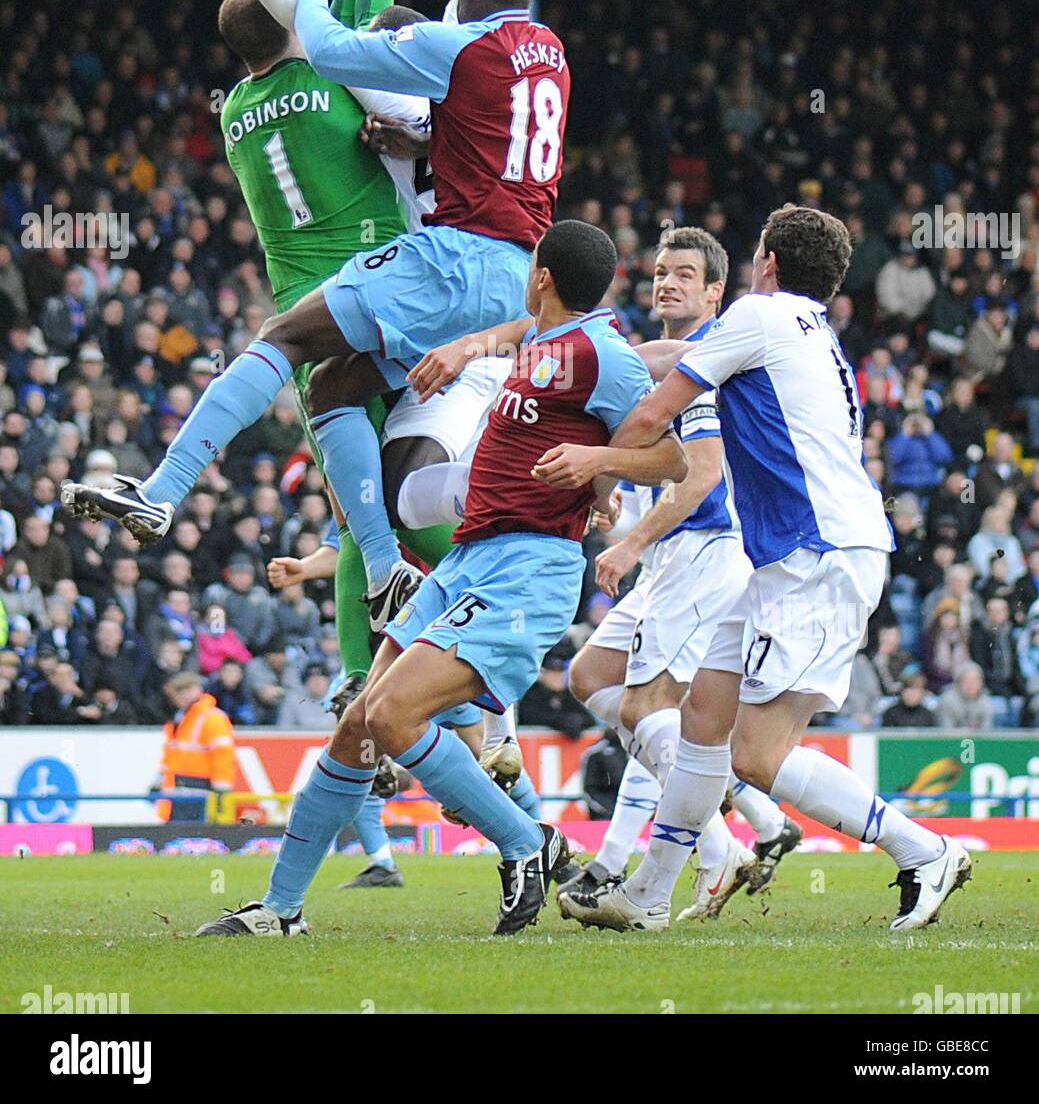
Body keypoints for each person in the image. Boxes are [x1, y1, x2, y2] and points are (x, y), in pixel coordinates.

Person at [62, 0, 559, 645]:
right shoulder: (543, 48)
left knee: (288, 341)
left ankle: (165, 491)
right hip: (510, 284)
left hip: (445, 269)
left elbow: (324, 44)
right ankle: (421, 584)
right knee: (346, 401)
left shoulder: (403, 80)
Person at [195, 221, 686, 940]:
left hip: (526, 570)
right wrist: (473, 349)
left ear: (540, 275)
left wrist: (593, 467)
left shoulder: (602, 355)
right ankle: (281, 909)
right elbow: (528, 354)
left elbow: (672, 459)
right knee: (360, 723)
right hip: (465, 559)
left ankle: (526, 841)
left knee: (393, 717)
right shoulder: (539, 337)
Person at [556, 206, 970, 935]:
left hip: (818, 557)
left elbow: (657, 406)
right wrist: (573, 353)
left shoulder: (762, 315)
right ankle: (650, 893)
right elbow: (660, 362)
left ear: (767, 263)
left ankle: (924, 849)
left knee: (757, 756)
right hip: (789, 559)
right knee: (701, 717)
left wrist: (597, 467)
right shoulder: (800, 326)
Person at [561, 226, 799, 913]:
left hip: (707, 547)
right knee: (592, 678)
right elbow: (642, 390)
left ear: (715, 291)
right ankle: (751, 818)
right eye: (660, 271)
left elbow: (698, 479)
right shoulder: (678, 358)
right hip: (672, 552)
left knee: (648, 709)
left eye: (684, 275)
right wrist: (605, 495)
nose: (665, 282)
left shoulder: (717, 355)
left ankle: (717, 848)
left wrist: (628, 543)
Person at [155, 671, 236, 820]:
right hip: (179, 789)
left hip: (200, 790)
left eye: (180, 693)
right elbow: (171, 755)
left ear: (193, 690)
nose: (175, 699)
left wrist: (221, 792)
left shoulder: (212, 718)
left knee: (195, 839)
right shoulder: (182, 718)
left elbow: (222, 756)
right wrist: (159, 781)